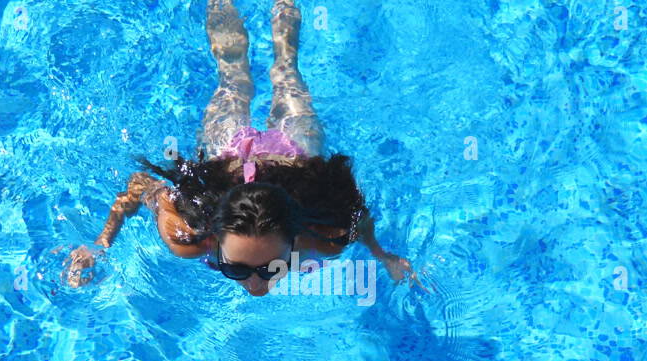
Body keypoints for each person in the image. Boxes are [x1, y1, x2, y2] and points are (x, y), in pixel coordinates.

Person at [65, 0, 420, 296]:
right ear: (214, 238)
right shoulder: (188, 237)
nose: (256, 287)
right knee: (240, 76)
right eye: (234, 268)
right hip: (282, 154)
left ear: (296, 238)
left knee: (277, 74)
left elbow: (356, 216)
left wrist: (381, 254)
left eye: (273, 268)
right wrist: (100, 244)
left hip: (244, 156)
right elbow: (142, 184)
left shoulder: (326, 237)